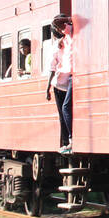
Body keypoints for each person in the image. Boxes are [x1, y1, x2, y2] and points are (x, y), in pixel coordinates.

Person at [45, 14, 73, 154]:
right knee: (66, 111)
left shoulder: (59, 44)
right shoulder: (66, 42)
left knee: (64, 112)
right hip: (66, 82)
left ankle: (67, 142)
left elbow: (52, 68)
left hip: (60, 84)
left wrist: (47, 88)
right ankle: (67, 141)